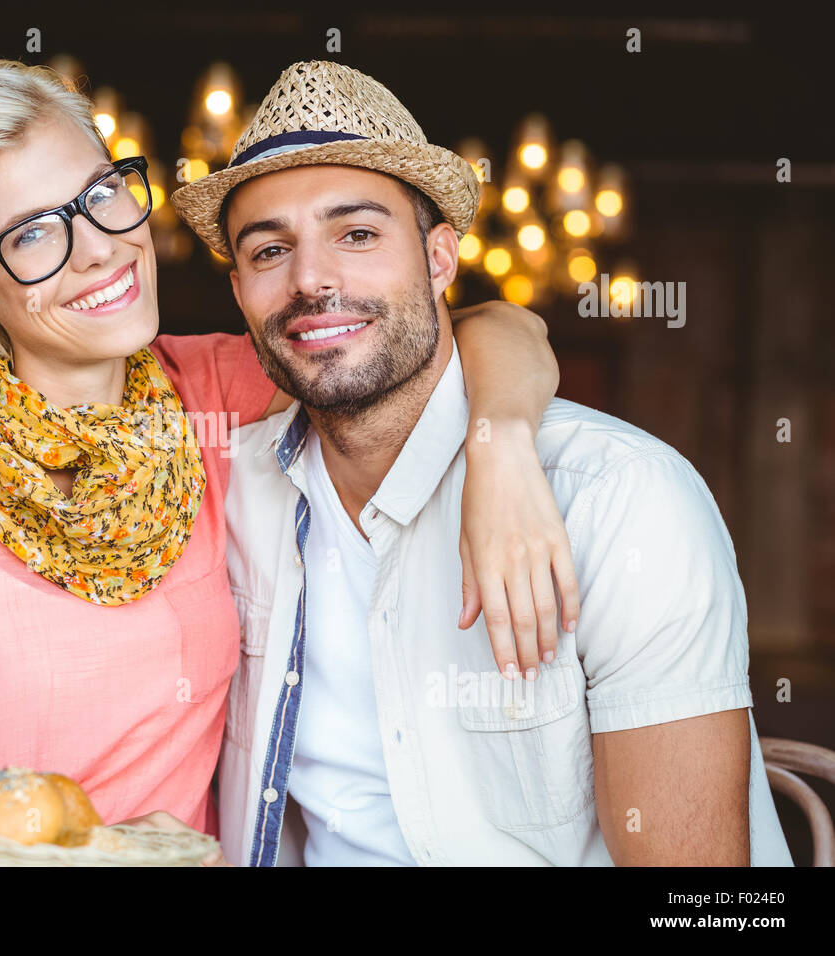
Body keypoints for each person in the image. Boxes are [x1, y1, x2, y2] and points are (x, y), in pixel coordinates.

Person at [0, 59, 574, 865]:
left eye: (102, 195)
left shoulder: (207, 397)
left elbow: (478, 327)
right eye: (31, 234)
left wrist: (503, 447)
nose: (98, 250)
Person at [171, 59, 793, 866]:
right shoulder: (223, 485)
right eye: (268, 251)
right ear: (239, 292)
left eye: (356, 234)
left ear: (438, 260)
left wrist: (495, 447)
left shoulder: (618, 503)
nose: (311, 278)